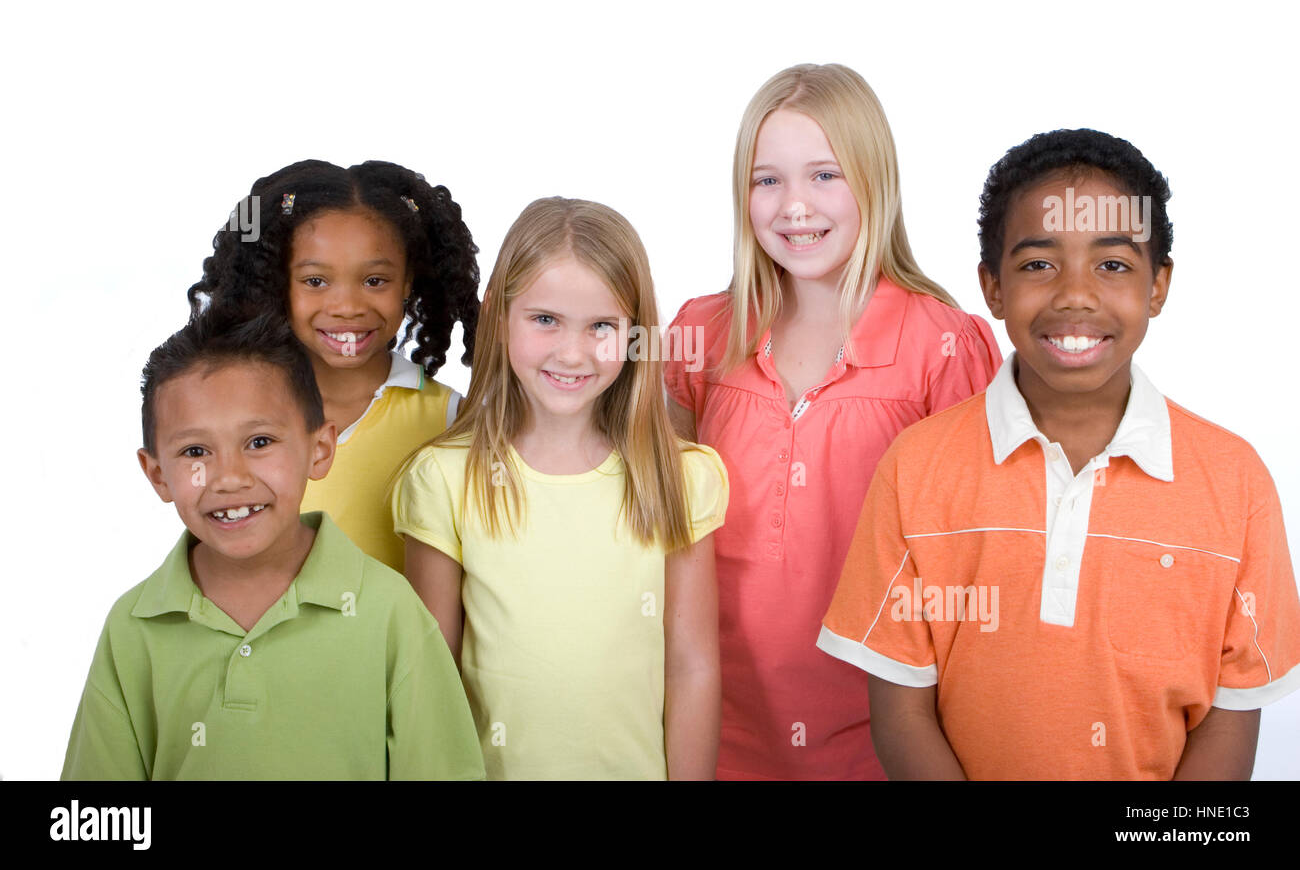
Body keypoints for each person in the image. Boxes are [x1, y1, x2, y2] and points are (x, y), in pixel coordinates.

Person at [820, 128, 1300, 779]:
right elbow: (902, 712)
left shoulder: (1235, 482)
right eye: (1039, 264)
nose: (1075, 295)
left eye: (1113, 265)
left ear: (1158, 286)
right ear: (991, 286)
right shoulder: (917, 468)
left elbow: (1231, 715)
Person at [664, 63, 1001, 779]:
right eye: (767, 179)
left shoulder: (943, 347)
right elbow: (656, 525)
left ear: (874, 180)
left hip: (880, 740)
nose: (794, 206)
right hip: (710, 730)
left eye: (824, 175)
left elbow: (974, 563)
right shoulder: (701, 335)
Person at [62, 311, 484, 780]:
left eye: (259, 441)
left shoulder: (390, 612)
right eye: (195, 452)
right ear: (158, 474)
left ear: (320, 449)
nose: (230, 478)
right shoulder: (133, 627)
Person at [393, 197, 728, 779]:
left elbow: (691, 663)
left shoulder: (679, 477)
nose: (572, 352)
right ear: (498, 313)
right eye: (545, 319)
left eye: (601, 326)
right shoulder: (443, 479)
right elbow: (432, 673)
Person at [188, 159, 480, 571]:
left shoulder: (453, 421)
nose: (347, 307)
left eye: (375, 280)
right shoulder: (233, 413)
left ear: (408, 282)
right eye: (315, 281)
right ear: (278, 283)